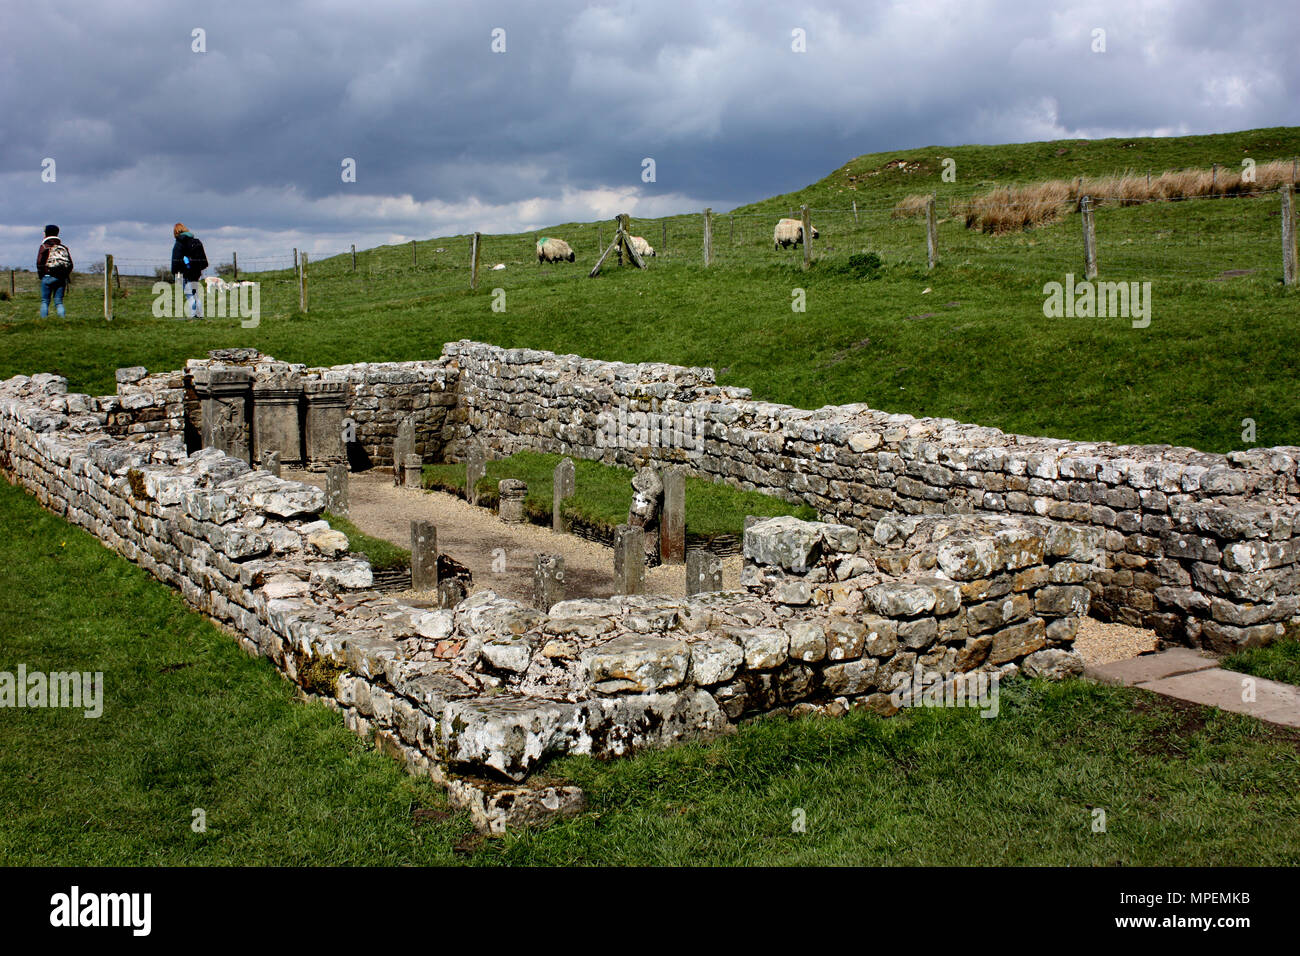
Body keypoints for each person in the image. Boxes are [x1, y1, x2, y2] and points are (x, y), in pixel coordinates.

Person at [170, 222, 208, 318]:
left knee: (189, 295)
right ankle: (200, 315)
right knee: (195, 294)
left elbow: (176, 259)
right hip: (196, 273)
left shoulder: (179, 243)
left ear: (176, 232)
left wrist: (175, 273)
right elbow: (203, 260)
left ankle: (192, 316)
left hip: (183, 273)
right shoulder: (196, 242)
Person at [36, 224, 73, 319]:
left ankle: (44, 322)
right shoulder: (63, 247)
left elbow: (40, 262)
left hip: (47, 276)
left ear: (46, 234)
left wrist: (41, 275)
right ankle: (62, 321)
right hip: (61, 278)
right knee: (59, 302)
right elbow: (70, 264)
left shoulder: (44, 246)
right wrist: (65, 275)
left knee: (45, 301)